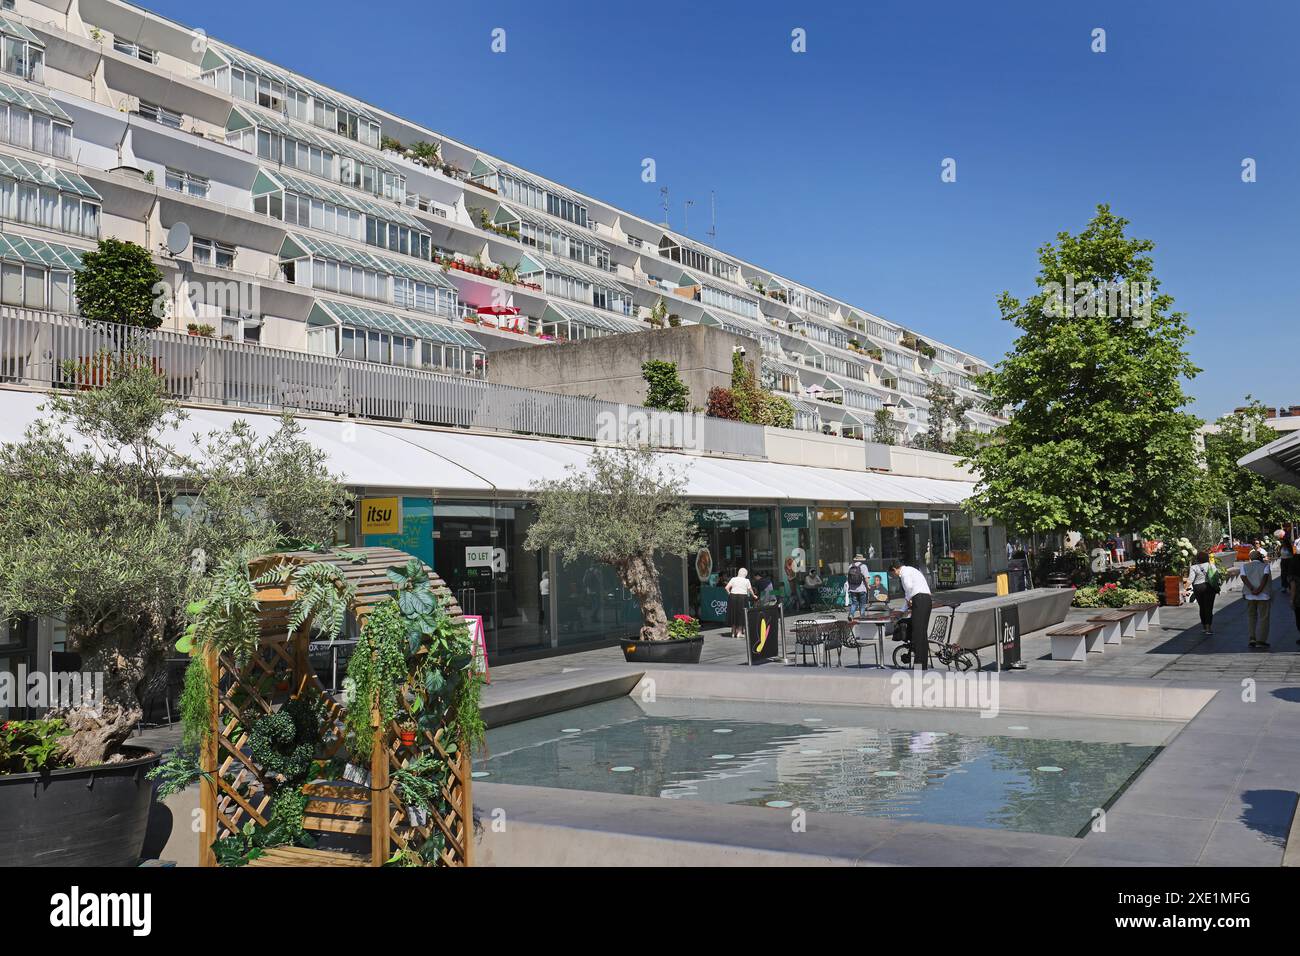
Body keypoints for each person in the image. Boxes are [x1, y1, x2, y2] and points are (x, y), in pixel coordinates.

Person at [889, 558, 932, 669]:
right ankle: (923, 665)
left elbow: (909, 588)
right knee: (922, 633)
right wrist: (903, 609)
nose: (894, 576)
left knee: (917, 633)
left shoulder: (904, 573)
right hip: (926, 599)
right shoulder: (912, 570)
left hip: (919, 599)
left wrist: (908, 600)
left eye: (893, 573)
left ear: (895, 569)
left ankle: (918, 665)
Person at [1240, 548, 1272, 648]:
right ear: (1260, 557)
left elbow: (1243, 578)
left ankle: (1252, 637)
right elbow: (1265, 578)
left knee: (1251, 616)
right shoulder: (1265, 566)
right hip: (1263, 595)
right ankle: (1261, 640)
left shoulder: (1244, 566)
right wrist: (1259, 590)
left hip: (1250, 595)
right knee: (1264, 617)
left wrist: (1251, 589)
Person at [1185, 549, 1219, 636]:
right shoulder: (1211, 565)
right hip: (1209, 588)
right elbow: (1216, 576)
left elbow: (1190, 580)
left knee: (1202, 607)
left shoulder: (1194, 567)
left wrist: (1184, 589)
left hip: (1198, 588)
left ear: (1198, 559)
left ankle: (1204, 626)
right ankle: (1208, 628)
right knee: (1209, 607)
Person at [724, 568, 758, 639]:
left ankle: (733, 632)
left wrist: (730, 594)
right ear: (745, 574)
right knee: (741, 614)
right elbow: (750, 589)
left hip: (732, 597)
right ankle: (739, 632)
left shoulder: (733, 579)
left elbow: (726, 588)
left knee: (733, 613)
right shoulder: (746, 580)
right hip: (742, 598)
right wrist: (754, 595)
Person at [846, 553, 870, 619]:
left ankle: (851, 614)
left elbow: (848, 578)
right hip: (862, 588)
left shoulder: (850, 566)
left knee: (854, 603)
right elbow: (866, 578)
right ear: (862, 559)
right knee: (862, 604)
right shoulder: (863, 566)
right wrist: (868, 585)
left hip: (852, 589)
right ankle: (862, 616)